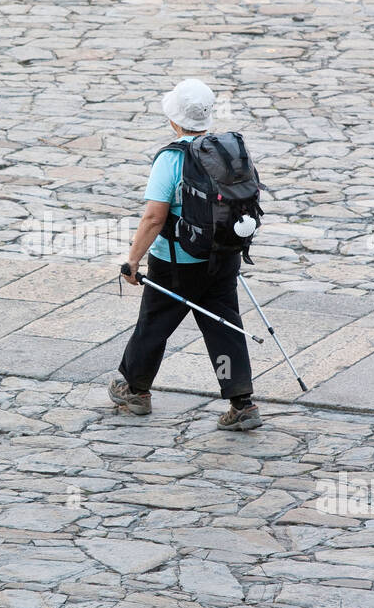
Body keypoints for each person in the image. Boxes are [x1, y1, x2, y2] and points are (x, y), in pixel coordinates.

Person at [111, 80, 262, 431]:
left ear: (173, 119)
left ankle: (135, 390)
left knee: (155, 324)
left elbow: (153, 218)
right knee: (224, 326)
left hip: (177, 262)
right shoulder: (226, 152)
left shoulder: (172, 158)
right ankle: (241, 402)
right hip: (224, 256)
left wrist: (132, 261)